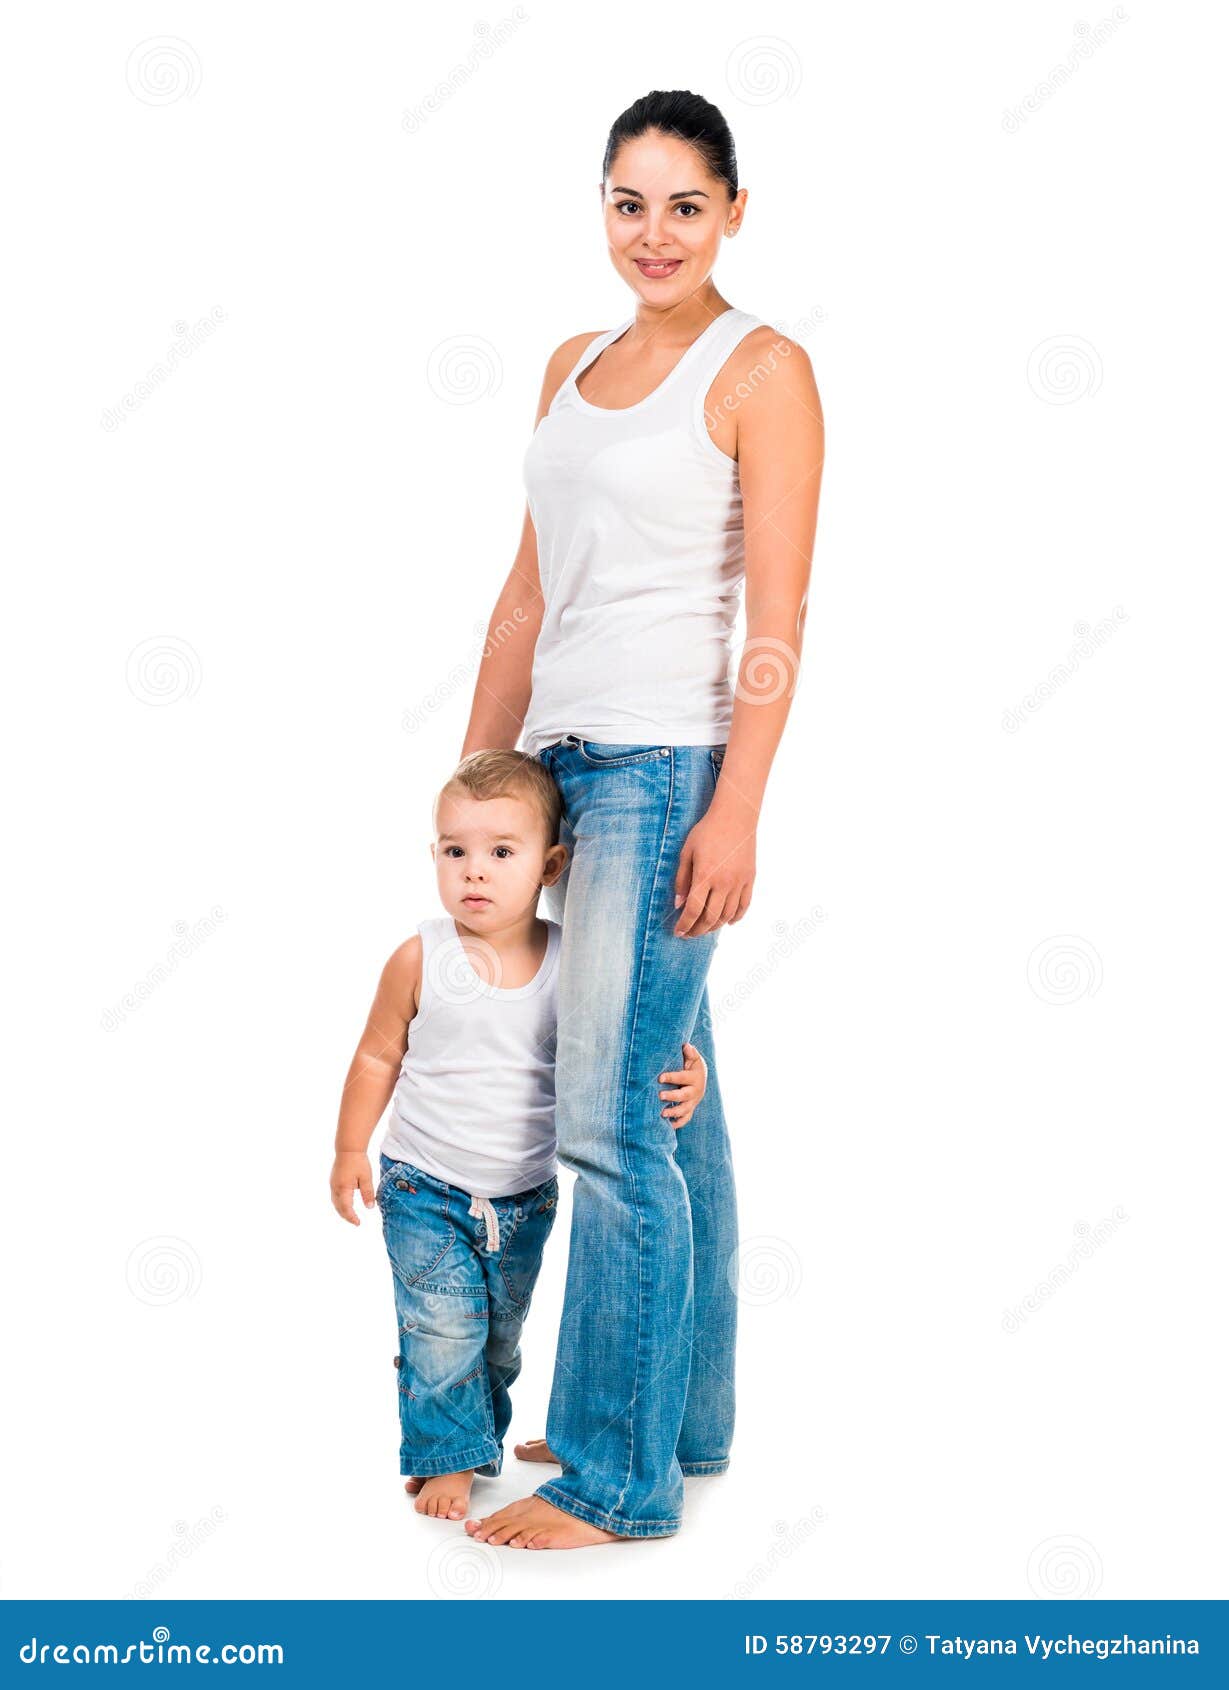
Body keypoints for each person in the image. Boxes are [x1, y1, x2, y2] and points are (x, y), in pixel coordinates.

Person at [458, 89, 823, 1549]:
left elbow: (779, 618)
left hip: (666, 775)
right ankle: (681, 1413)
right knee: (686, 1110)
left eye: (684, 203)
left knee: (608, 1119)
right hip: (557, 770)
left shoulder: (766, 369)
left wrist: (736, 806)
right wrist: (480, 790)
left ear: (735, 208)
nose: (653, 233)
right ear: (599, 209)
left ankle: (616, 1475)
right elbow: (526, 597)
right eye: (628, 202)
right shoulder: (571, 361)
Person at [329, 749, 708, 1522]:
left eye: (502, 852)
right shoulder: (420, 956)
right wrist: (348, 1150)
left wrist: (689, 1080)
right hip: (422, 1184)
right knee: (439, 1327)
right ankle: (450, 1457)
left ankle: (477, 1435)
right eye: (456, 852)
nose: (475, 872)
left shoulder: (574, 964)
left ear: (551, 864)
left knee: (497, 1337)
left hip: (525, 1199)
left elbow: (625, 1047)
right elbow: (376, 1054)